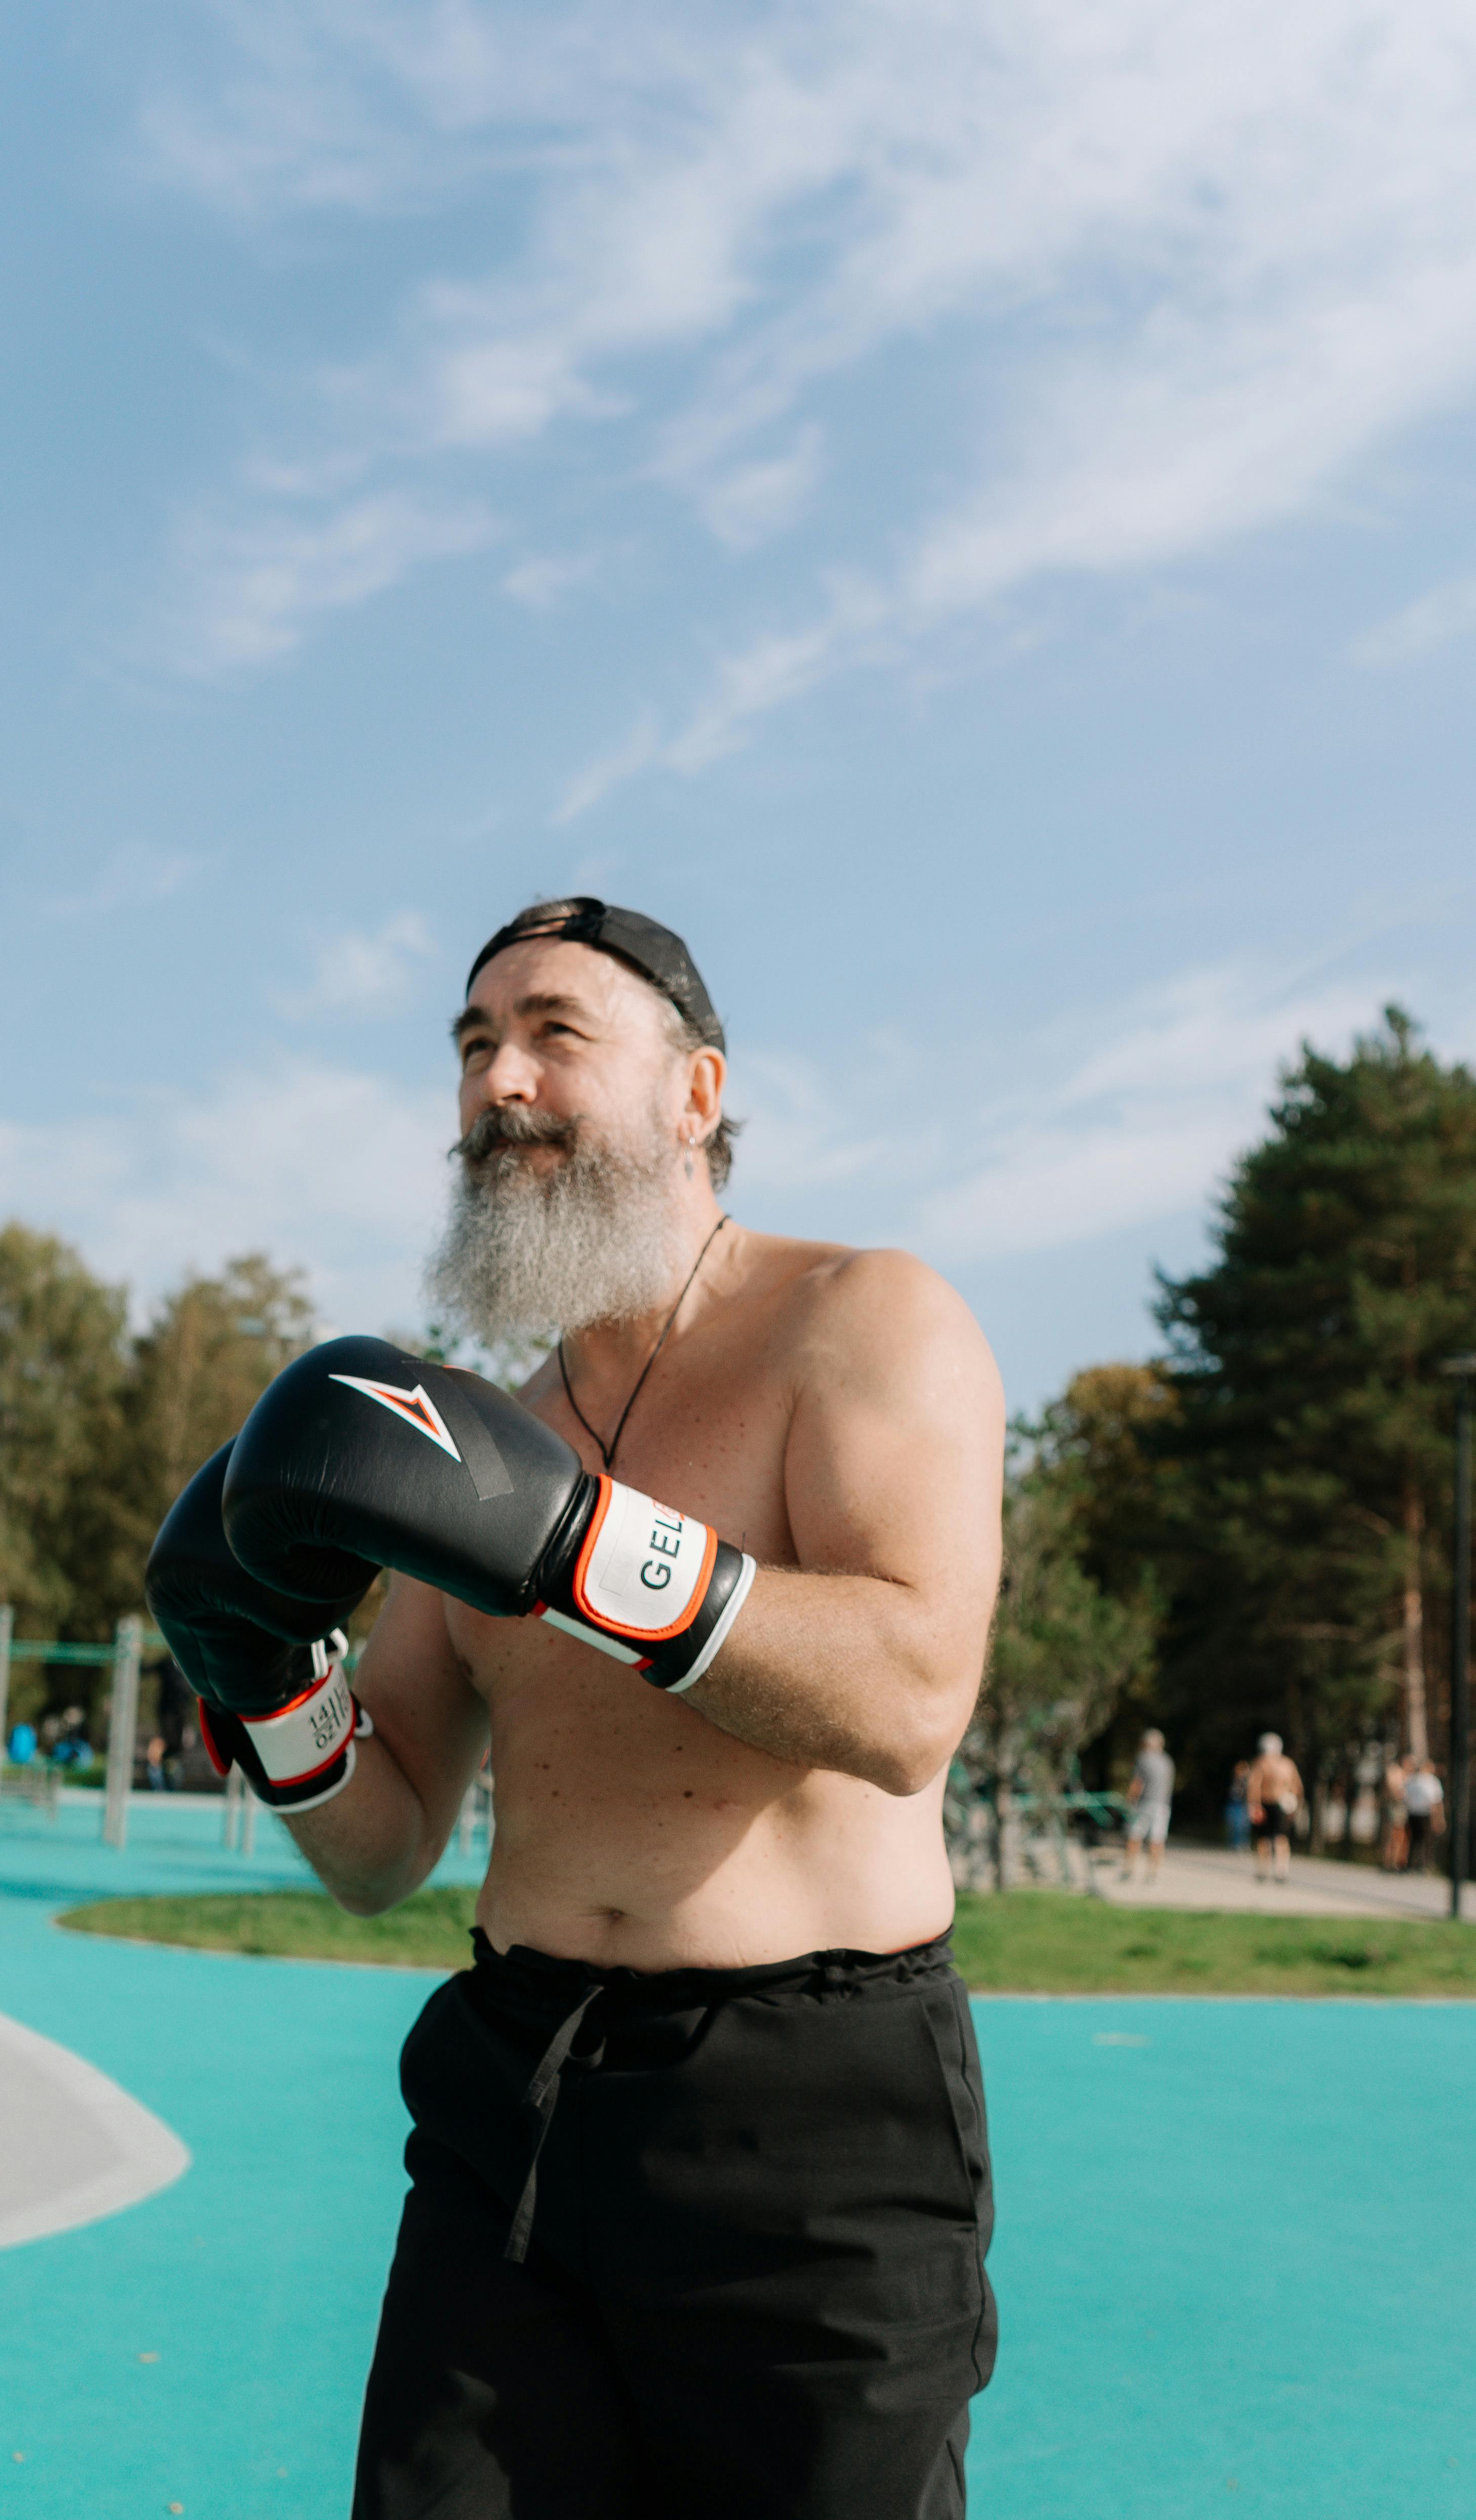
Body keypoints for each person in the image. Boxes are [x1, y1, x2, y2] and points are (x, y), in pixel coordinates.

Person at [147, 896, 1004, 2520]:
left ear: (696, 1091)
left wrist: (577, 1547)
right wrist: (262, 1681)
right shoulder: (472, 1435)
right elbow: (381, 1845)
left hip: (809, 2123)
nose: (499, 1080)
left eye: (554, 1031)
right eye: (474, 1044)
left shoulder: (858, 1316)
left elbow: (910, 1700)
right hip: (511, 2101)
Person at [1247, 1731, 1304, 1884]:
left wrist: (1254, 1806)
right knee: (1281, 1838)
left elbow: (1254, 1786)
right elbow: (1297, 1787)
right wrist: (1295, 1806)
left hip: (1267, 1804)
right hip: (1283, 1804)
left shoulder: (1261, 1763)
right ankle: (1281, 1870)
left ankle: (1263, 1870)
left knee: (1264, 1839)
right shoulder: (1288, 1764)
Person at [1122, 1728, 1174, 1882]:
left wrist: (1130, 1801)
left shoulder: (1143, 1758)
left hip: (1144, 1804)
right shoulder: (1168, 1761)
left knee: (1135, 1837)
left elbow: (1138, 1783)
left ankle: (1129, 1870)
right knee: (1157, 1840)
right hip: (1163, 1805)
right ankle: (1153, 1874)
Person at [1403, 1757, 1446, 1873]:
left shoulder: (1431, 1781)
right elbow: (1405, 1796)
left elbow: (1437, 1801)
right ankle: (1413, 1864)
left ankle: (1424, 1864)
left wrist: (1439, 1817)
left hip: (1425, 1813)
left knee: (1426, 1839)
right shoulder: (1414, 1780)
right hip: (1416, 1813)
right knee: (1415, 1839)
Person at [1381, 1754, 1411, 1872]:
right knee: (1395, 1835)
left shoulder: (1407, 1774)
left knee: (1402, 1837)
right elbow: (1394, 1791)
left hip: (1405, 1808)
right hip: (1397, 1807)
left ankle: (1397, 1862)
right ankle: (1390, 1863)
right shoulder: (1395, 1772)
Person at [1225, 1758, 1252, 1853]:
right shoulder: (1235, 1780)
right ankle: (1235, 1844)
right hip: (1234, 1804)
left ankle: (1244, 1843)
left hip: (1243, 1804)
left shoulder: (1248, 1781)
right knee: (1235, 1825)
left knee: (1244, 1826)